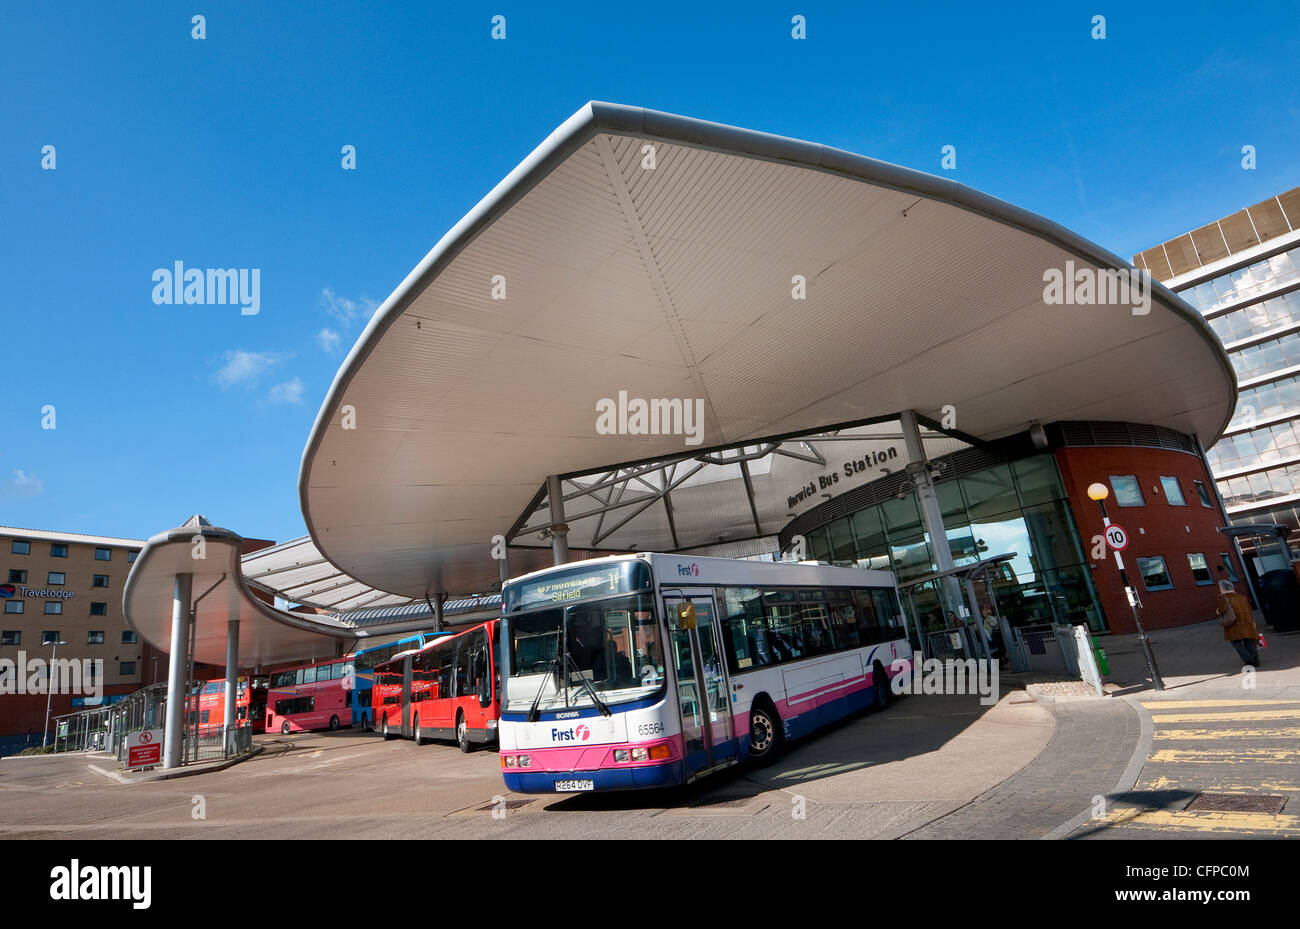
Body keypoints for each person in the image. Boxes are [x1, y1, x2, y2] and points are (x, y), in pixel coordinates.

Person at [1215, 580, 1259, 670]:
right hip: (1247, 622)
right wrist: (1253, 623)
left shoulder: (1223, 599)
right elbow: (1249, 610)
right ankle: (1256, 661)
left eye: (1220, 588)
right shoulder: (1242, 597)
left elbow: (1221, 611)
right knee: (1249, 641)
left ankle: (1249, 660)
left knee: (1236, 642)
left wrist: (1217, 611)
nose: (1219, 590)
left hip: (1233, 625)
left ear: (1223, 588)